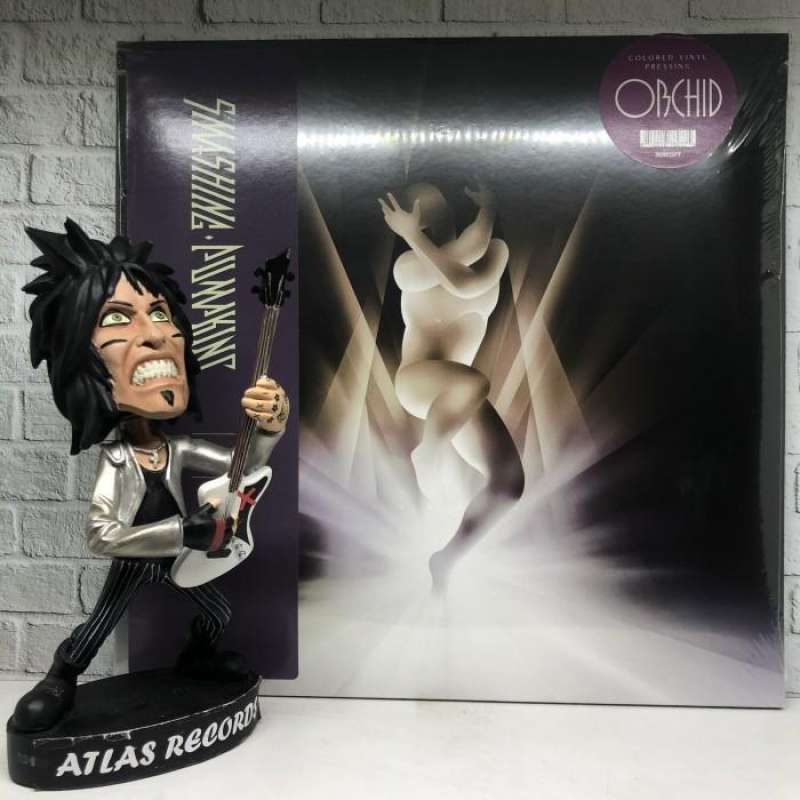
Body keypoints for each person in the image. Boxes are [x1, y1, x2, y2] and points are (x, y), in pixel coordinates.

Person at [11, 220, 289, 732]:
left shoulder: (176, 448)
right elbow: (102, 535)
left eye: (161, 312)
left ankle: (198, 655)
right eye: (117, 318)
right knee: (100, 623)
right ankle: (62, 675)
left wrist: (270, 427)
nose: (158, 333)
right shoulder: (118, 460)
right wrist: (182, 530)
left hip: (183, 555)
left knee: (217, 612)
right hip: (140, 558)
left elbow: (242, 468)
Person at [379, 183, 524, 591]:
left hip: (462, 396)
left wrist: (488, 212)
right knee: (474, 381)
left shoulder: (495, 251)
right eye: (417, 202)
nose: (425, 206)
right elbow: (457, 268)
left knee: (508, 484)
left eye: (432, 198)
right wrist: (413, 236)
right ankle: (430, 451)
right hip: (419, 381)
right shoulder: (407, 265)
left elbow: (466, 280)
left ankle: (446, 558)